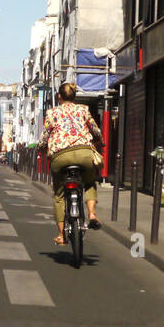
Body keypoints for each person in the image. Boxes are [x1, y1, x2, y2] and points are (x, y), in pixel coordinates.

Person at [41, 82, 102, 245]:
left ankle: (61, 235)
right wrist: (99, 141)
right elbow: (95, 130)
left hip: (60, 156)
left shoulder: (52, 112)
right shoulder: (83, 109)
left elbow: (45, 136)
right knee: (89, 182)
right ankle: (92, 214)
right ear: (74, 97)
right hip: (84, 153)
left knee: (59, 194)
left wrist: (41, 148)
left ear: (59, 96)